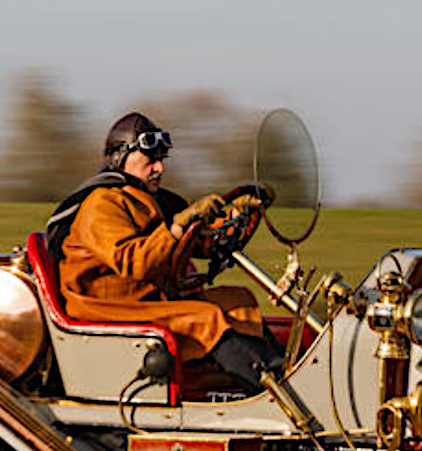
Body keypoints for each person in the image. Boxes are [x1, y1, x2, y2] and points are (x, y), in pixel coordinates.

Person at [48, 112, 285, 390]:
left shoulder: (153, 199)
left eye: (161, 160)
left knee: (237, 300)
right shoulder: (102, 203)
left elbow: (200, 242)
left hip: (147, 299)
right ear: (122, 158)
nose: (159, 168)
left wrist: (240, 213)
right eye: (150, 161)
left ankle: (282, 371)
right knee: (204, 319)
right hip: (108, 308)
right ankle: (271, 391)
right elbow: (134, 261)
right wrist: (176, 228)